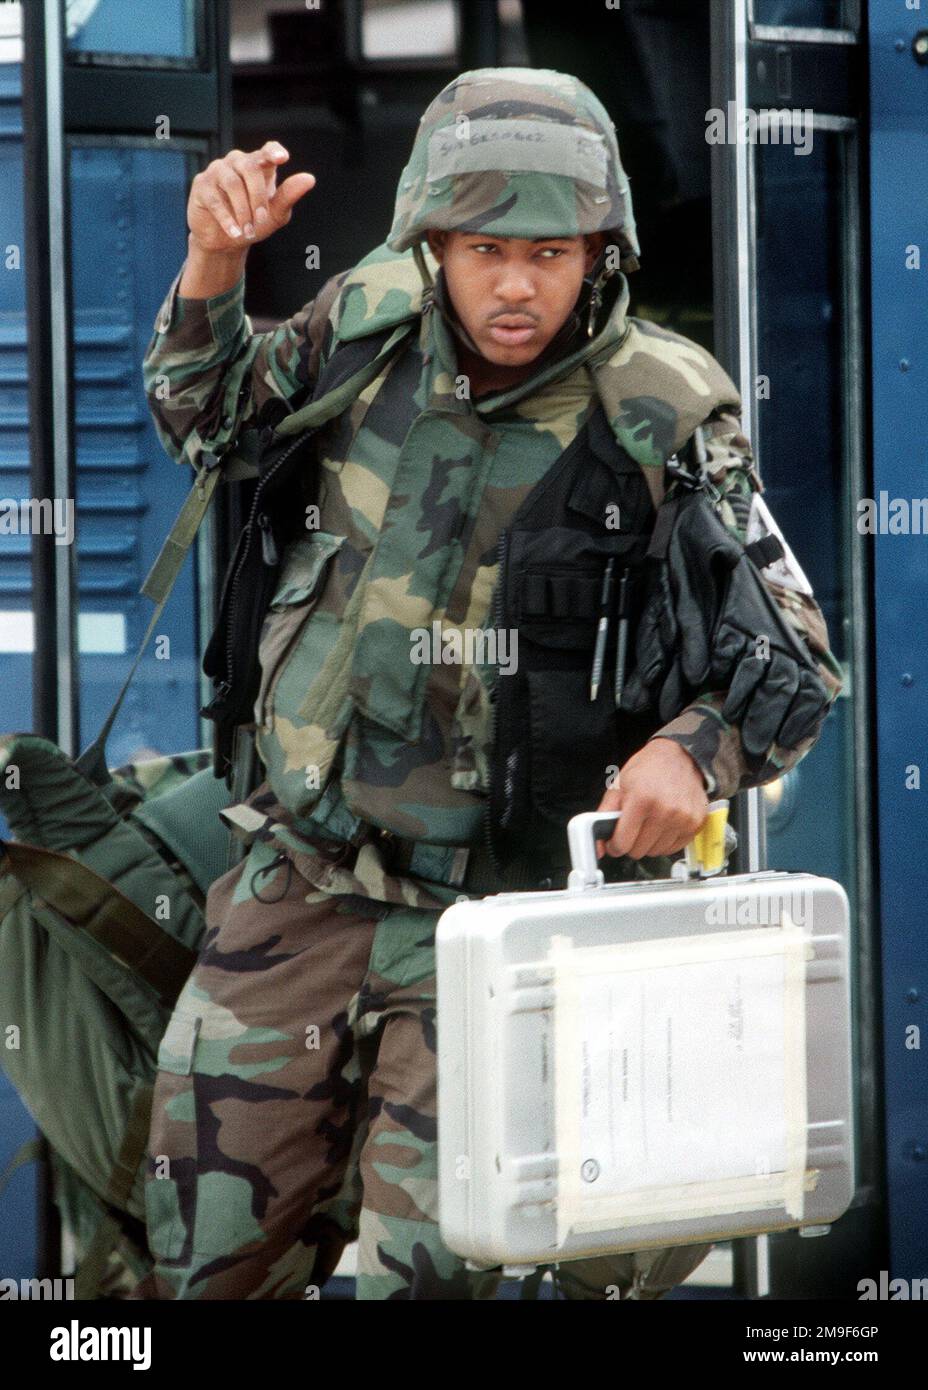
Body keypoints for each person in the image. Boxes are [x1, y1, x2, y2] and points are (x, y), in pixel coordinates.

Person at [131, 67, 843, 1300]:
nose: (515, 285)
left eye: (551, 251)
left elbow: (793, 657)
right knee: (203, 1255)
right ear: (434, 242)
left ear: (599, 249)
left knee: (435, 1275)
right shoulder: (364, 323)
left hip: (500, 926)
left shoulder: (662, 411)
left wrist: (695, 746)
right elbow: (210, 423)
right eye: (482, 248)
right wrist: (210, 266)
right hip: (298, 884)